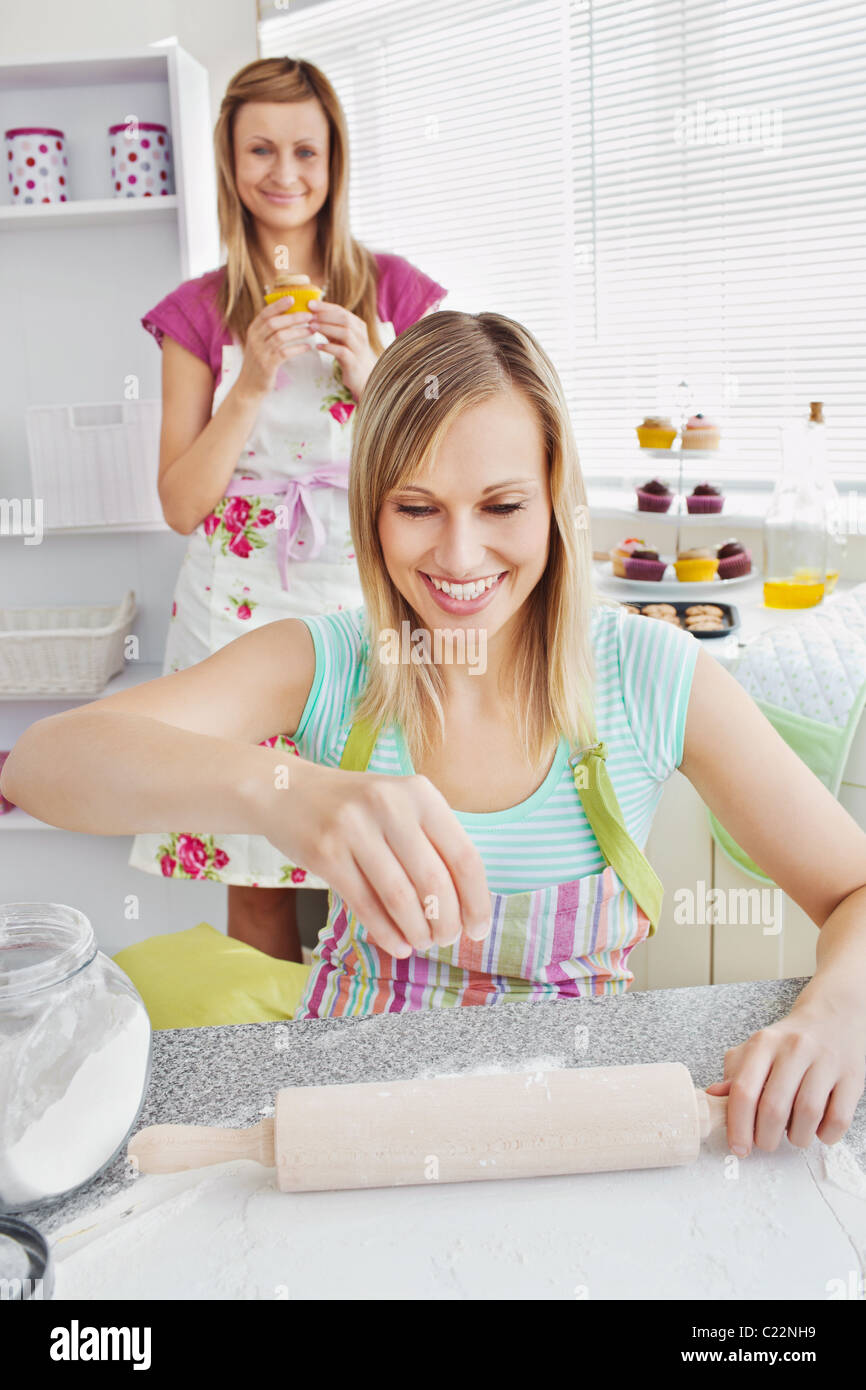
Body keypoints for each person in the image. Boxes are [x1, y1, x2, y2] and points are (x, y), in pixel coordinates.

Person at [5, 310, 866, 1160]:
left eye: (501, 505)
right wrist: (282, 793)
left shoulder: (653, 676)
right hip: (351, 1134)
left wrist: (831, 1017)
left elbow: (854, 894)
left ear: (556, 497)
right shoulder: (330, 662)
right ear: (371, 511)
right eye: (416, 507)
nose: (459, 557)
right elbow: (47, 764)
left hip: (572, 1130)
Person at [128, 56, 446, 962]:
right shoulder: (197, 312)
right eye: (259, 149)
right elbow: (182, 504)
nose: (284, 172)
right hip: (232, 622)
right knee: (258, 870)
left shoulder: (393, 293)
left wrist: (374, 375)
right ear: (230, 164)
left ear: (335, 161)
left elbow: (438, 477)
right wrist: (253, 382)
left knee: (382, 865)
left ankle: (375, 1083)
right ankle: (269, 1088)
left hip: (362, 611)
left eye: (306, 150)